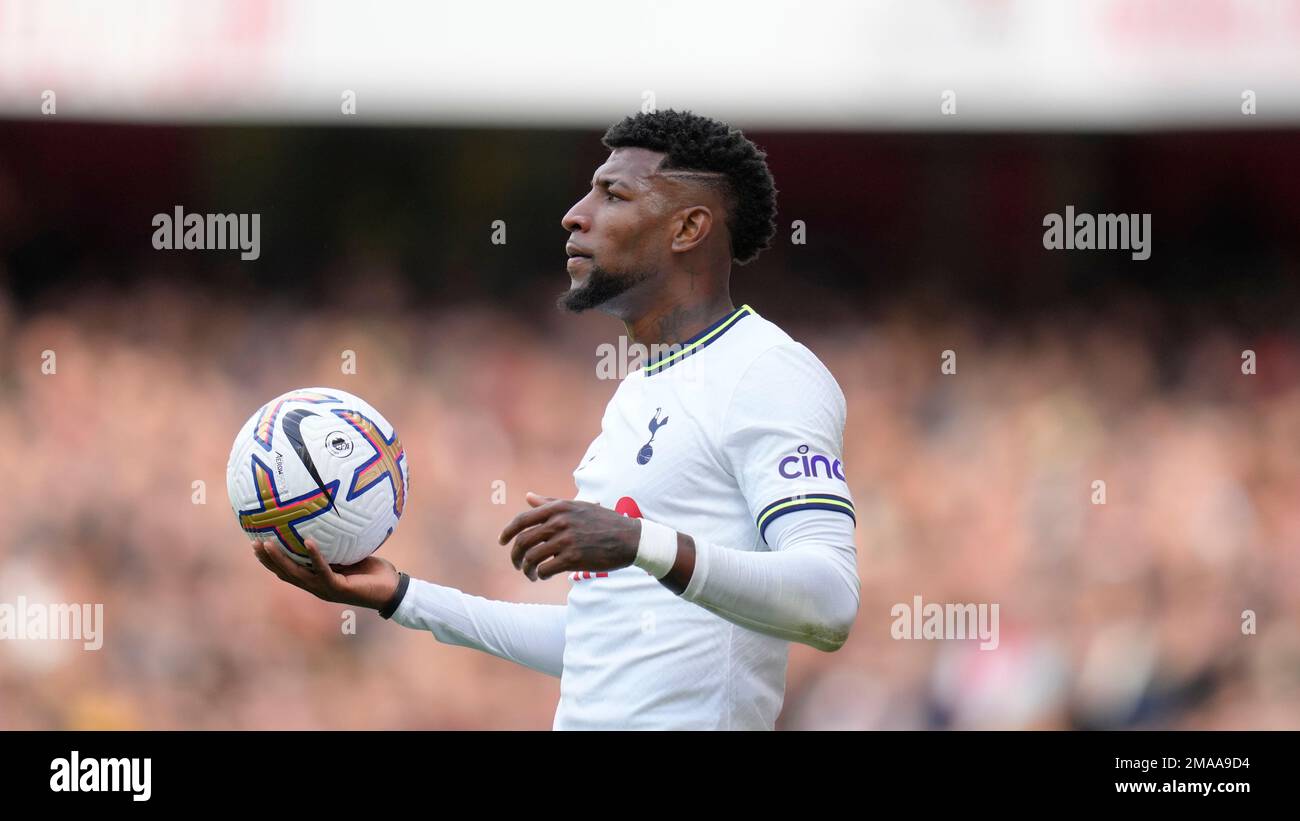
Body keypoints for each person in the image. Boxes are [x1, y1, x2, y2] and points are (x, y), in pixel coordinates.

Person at [252, 109, 860, 730]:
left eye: (613, 194)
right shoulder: (640, 391)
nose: (576, 213)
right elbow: (603, 642)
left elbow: (830, 600)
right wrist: (403, 596)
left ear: (689, 227)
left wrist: (639, 542)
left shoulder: (767, 371)